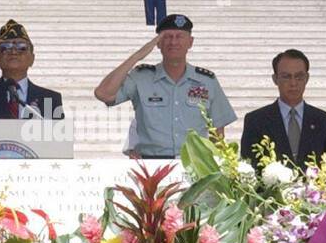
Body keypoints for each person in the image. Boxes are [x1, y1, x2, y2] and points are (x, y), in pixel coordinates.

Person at [95, 13, 236, 159]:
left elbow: (218, 131)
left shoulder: (207, 81)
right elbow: (103, 94)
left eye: (179, 36)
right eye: (167, 37)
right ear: (158, 43)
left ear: (190, 42)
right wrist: (137, 56)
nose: (173, 42)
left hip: (195, 165)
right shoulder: (141, 77)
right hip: (152, 165)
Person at [241, 49, 326, 171]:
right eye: (286, 77)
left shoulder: (325, 121)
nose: (293, 83)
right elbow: (249, 166)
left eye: (299, 77)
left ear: (307, 78)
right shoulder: (256, 121)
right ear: (275, 79)